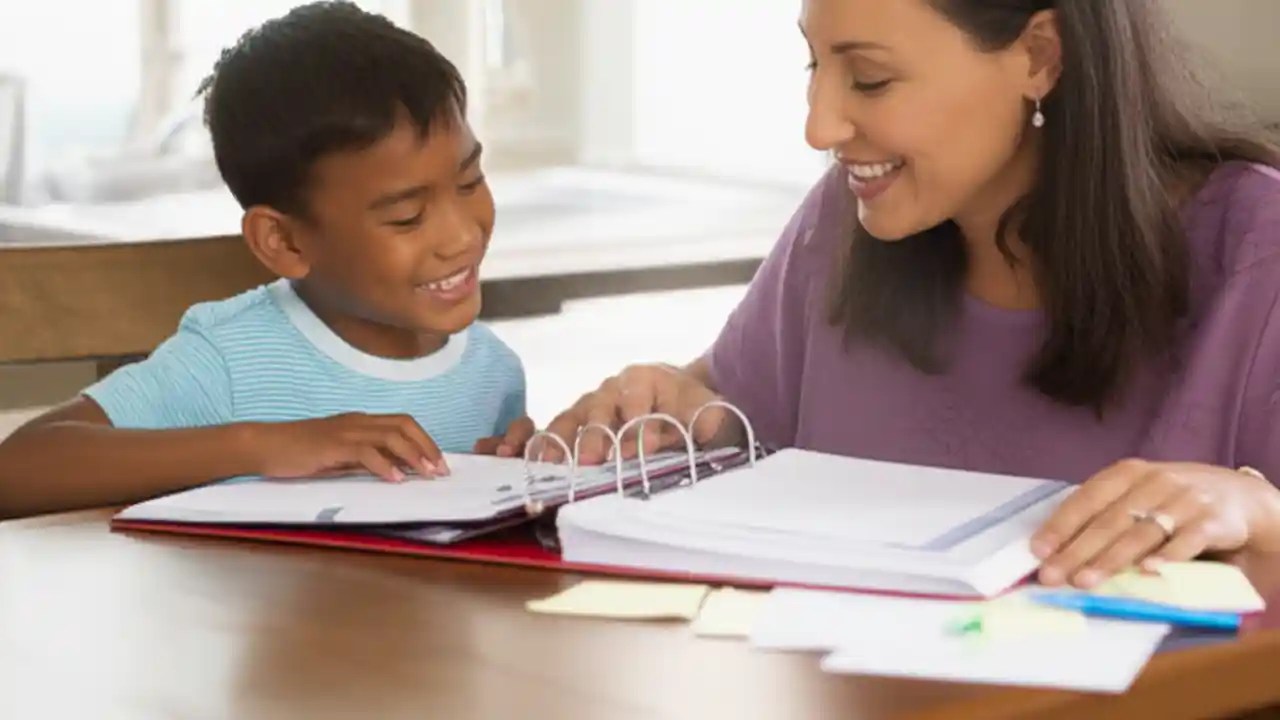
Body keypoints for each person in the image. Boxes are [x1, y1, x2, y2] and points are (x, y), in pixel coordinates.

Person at [547, 0, 1280, 589]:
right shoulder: (846, 220)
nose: (819, 126)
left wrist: (1260, 511)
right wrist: (661, 405)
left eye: (869, 79)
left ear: (1039, 56)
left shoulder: (1256, 248)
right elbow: (725, 411)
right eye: (815, 64)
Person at [0, 1, 532, 519]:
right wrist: (259, 445)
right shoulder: (231, 362)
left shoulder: (493, 372)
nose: (462, 236)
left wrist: (507, 475)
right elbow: (14, 471)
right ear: (284, 242)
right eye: (408, 217)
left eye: (470, 181)